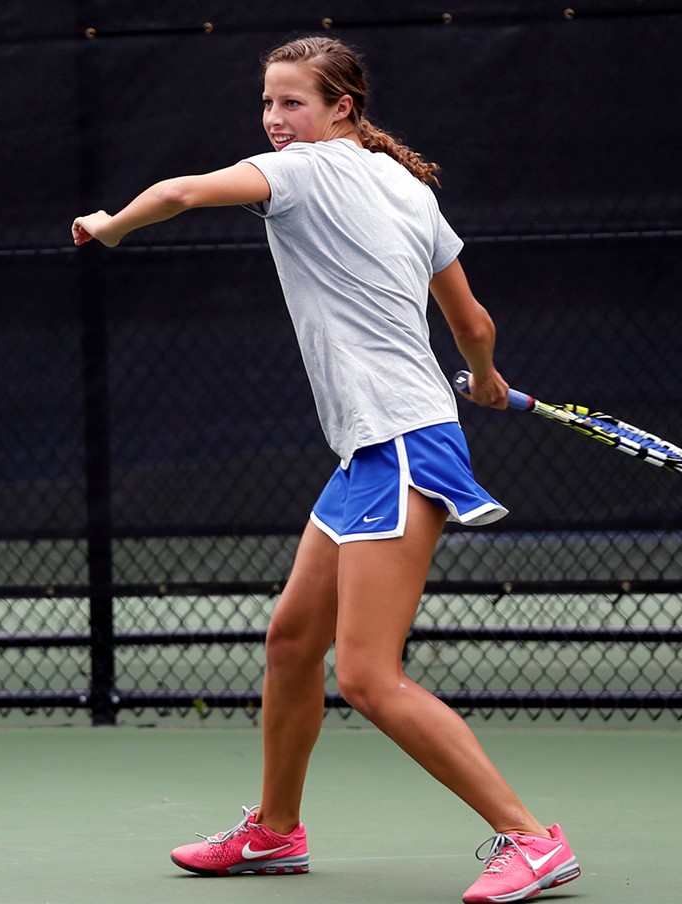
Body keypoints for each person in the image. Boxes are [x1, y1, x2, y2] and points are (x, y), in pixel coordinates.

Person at [71, 35, 580, 904]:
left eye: (292, 103)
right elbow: (473, 321)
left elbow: (184, 191)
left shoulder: (305, 172)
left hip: (401, 441)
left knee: (368, 677)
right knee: (293, 641)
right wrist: (486, 380)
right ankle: (274, 831)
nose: (275, 121)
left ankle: (531, 838)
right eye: (267, 104)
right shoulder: (410, 188)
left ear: (343, 106)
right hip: (377, 445)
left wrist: (111, 224)